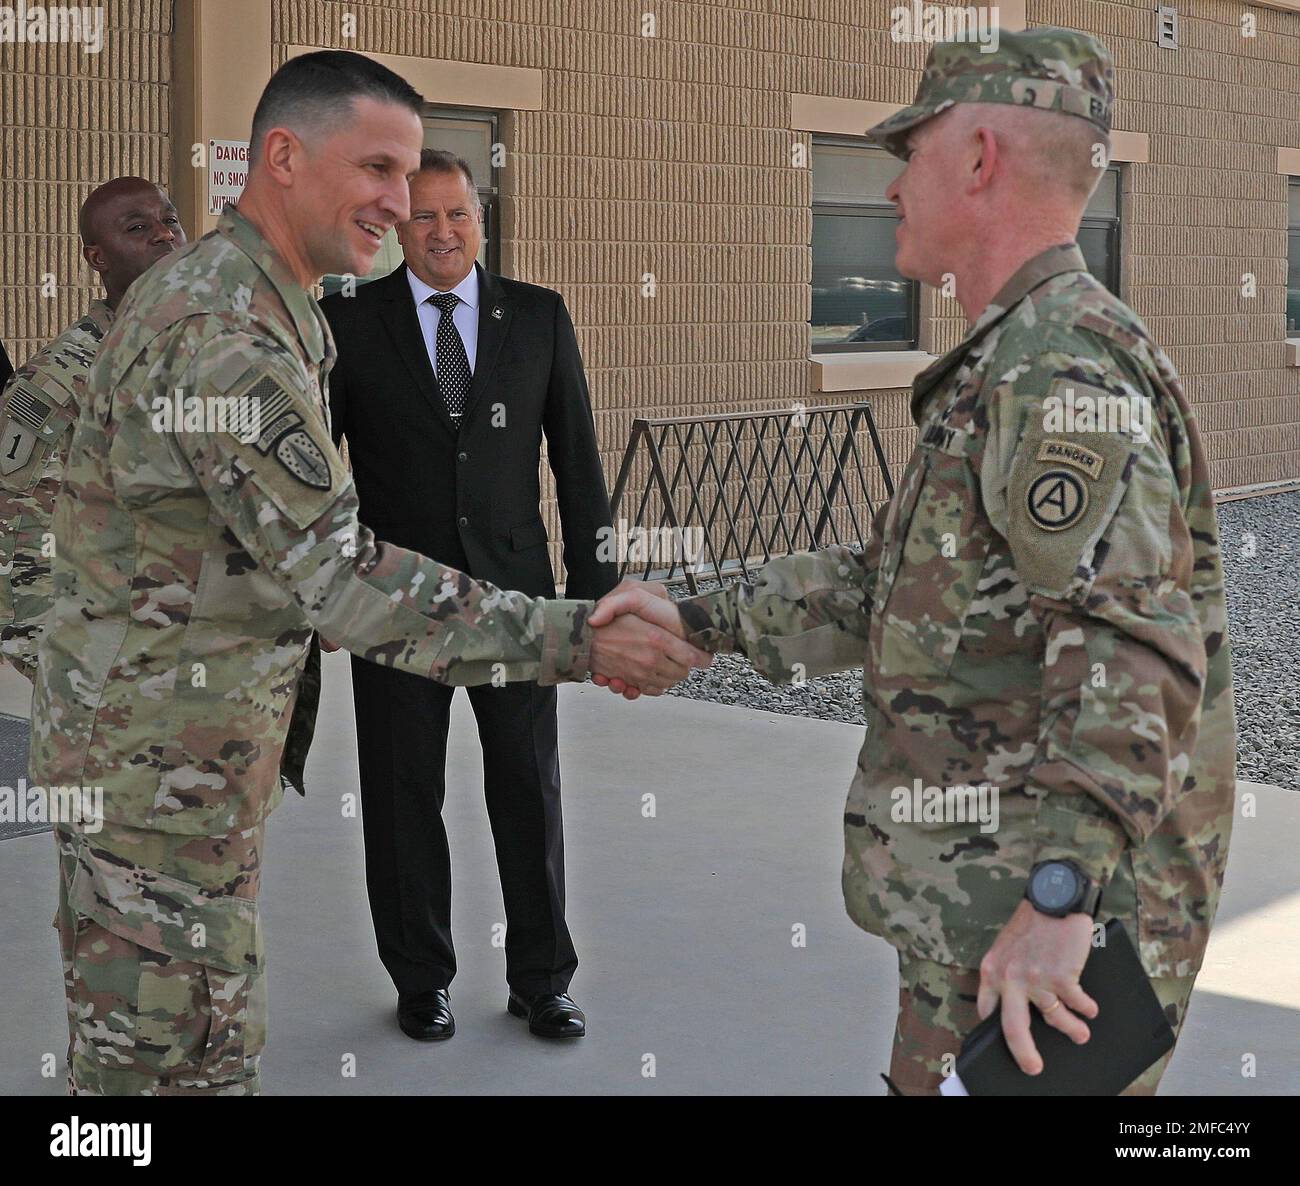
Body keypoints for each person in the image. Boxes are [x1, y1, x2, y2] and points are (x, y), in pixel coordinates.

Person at [32, 49, 705, 1097]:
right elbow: (340, 575)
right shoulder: (224, 329)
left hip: (180, 770)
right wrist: (578, 635)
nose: (403, 204)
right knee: (149, 1089)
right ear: (287, 156)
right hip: (155, 784)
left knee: (188, 1061)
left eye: (420, 183)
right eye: (380, 169)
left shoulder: (267, 299)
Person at [594, 27, 1235, 1096]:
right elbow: (897, 584)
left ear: (978, 158)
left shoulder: (1056, 367)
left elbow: (1136, 649)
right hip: (981, 910)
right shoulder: (1014, 354)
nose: (892, 186)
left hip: (1027, 937)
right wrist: (696, 616)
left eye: (911, 153)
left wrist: (1058, 897)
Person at [322, 149, 617, 1042]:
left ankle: (542, 977)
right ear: (395, 227)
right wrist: (326, 591)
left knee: (527, 787)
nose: (441, 232)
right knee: (403, 791)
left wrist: (594, 595)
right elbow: (310, 474)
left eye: (457, 215)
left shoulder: (536, 316)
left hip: (515, 600)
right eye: (423, 217)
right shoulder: (349, 320)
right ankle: (421, 978)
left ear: (480, 220)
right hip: (395, 603)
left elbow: (577, 461)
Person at [0, 178, 185, 681]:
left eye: (170, 220)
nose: (165, 236)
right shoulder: (61, 382)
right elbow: (17, 538)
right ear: (97, 258)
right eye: (138, 227)